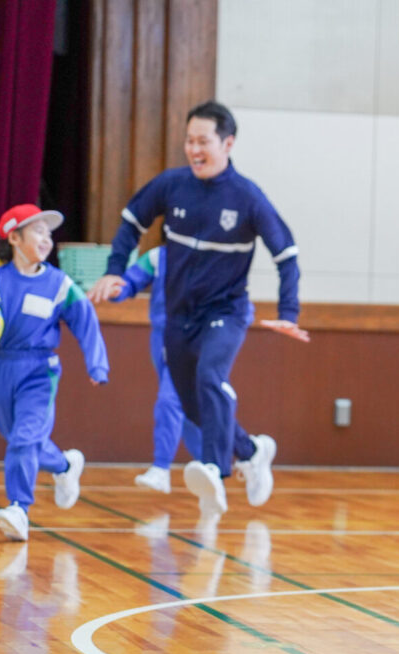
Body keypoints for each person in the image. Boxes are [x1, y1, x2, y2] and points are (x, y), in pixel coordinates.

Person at [88, 100, 308, 516]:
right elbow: (130, 222)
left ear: (228, 143)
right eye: (189, 141)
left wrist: (289, 312)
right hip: (179, 316)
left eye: (203, 141)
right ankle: (251, 450)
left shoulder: (248, 197)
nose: (194, 150)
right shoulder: (171, 186)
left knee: (211, 376)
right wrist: (116, 269)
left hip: (226, 312)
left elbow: (287, 254)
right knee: (191, 404)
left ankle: (214, 468)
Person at [0, 204, 109, 542]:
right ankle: (65, 466)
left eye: (49, 233)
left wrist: (97, 364)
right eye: (38, 231)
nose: (46, 239)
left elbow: (86, 320)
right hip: (3, 366)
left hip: (40, 370)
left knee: (24, 438)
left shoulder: (59, 284)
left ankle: (18, 508)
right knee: (18, 437)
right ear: (15, 237)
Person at [110, 244, 274, 494]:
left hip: (199, 338)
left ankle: (162, 469)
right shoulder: (158, 256)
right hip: (163, 339)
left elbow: (238, 304)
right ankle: (241, 454)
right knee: (191, 411)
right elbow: (130, 282)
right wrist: (113, 288)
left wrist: (227, 332)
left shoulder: (220, 258)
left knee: (170, 399)